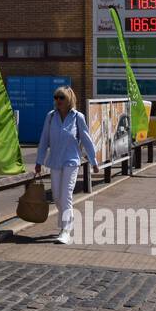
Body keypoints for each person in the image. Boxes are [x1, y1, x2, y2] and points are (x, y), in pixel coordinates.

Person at [35, 86, 100, 245]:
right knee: (57, 196)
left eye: (61, 97)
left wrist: (94, 161)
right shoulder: (50, 117)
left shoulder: (78, 117)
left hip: (71, 161)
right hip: (55, 161)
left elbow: (86, 140)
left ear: (69, 99)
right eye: (56, 97)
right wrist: (39, 160)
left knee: (66, 196)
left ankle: (65, 230)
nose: (57, 101)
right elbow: (44, 140)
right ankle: (65, 222)